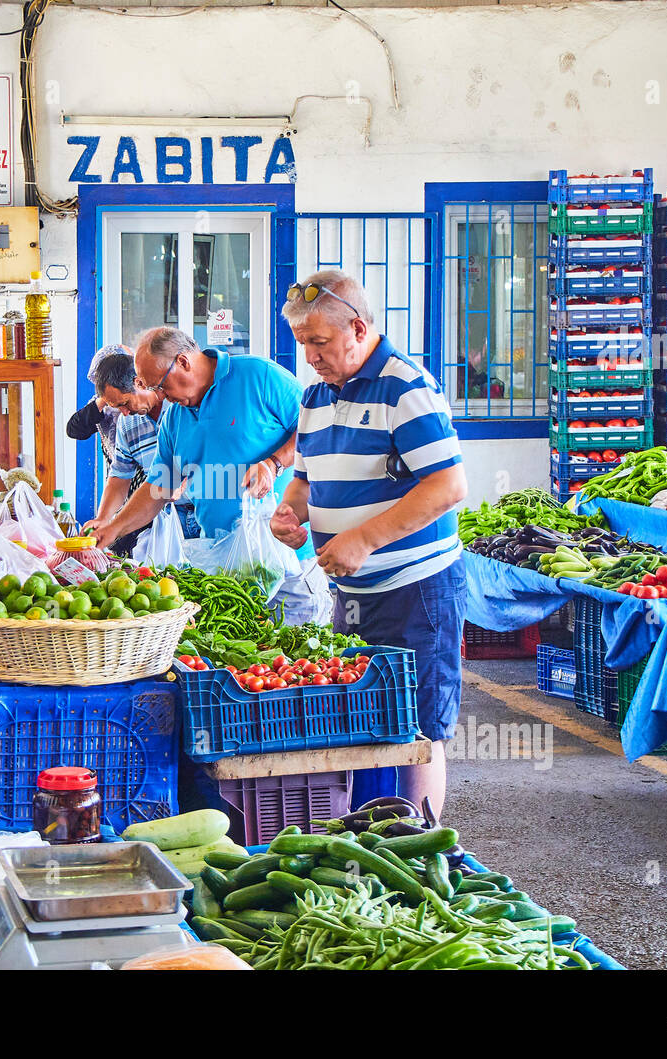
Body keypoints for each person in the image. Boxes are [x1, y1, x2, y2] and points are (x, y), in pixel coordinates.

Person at [270, 270, 468, 817]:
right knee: (361, 716)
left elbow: (449, 486)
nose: (309, 356)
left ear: (357, 328)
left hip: (417, 592)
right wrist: (290, 513)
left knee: (420, 728)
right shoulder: (315, 396)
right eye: (302, 344)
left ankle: (420, 849)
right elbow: (306, 479)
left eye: (319, 343)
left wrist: (364, 538)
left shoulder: (406, 387)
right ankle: (370, 835)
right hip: (352, 594)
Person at [91, 328, 318, 618]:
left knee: (300, 657)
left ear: (183, 362)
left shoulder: (259, 376)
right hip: (225, 571)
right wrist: (112, 528)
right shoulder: (174, 418)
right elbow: (158, 488)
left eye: (160, 386)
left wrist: (274, 463)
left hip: (287, 563)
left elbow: (316, 427)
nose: (161, 397)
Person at [83, 351, 199, 554]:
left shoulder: (182, 406)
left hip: (206, 513)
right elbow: (119, 476)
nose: (124, 413)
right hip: (168, 520)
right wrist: (103, 518)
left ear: (139, 383)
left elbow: (216, 457)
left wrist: (185, 482)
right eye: (117, 407)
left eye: (125, 403)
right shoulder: (127, 424)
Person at [65, 343, 126, 468]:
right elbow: (74, 429)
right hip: (119, 476)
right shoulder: (104, 406)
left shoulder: (143, 397)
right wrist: (105, 398)